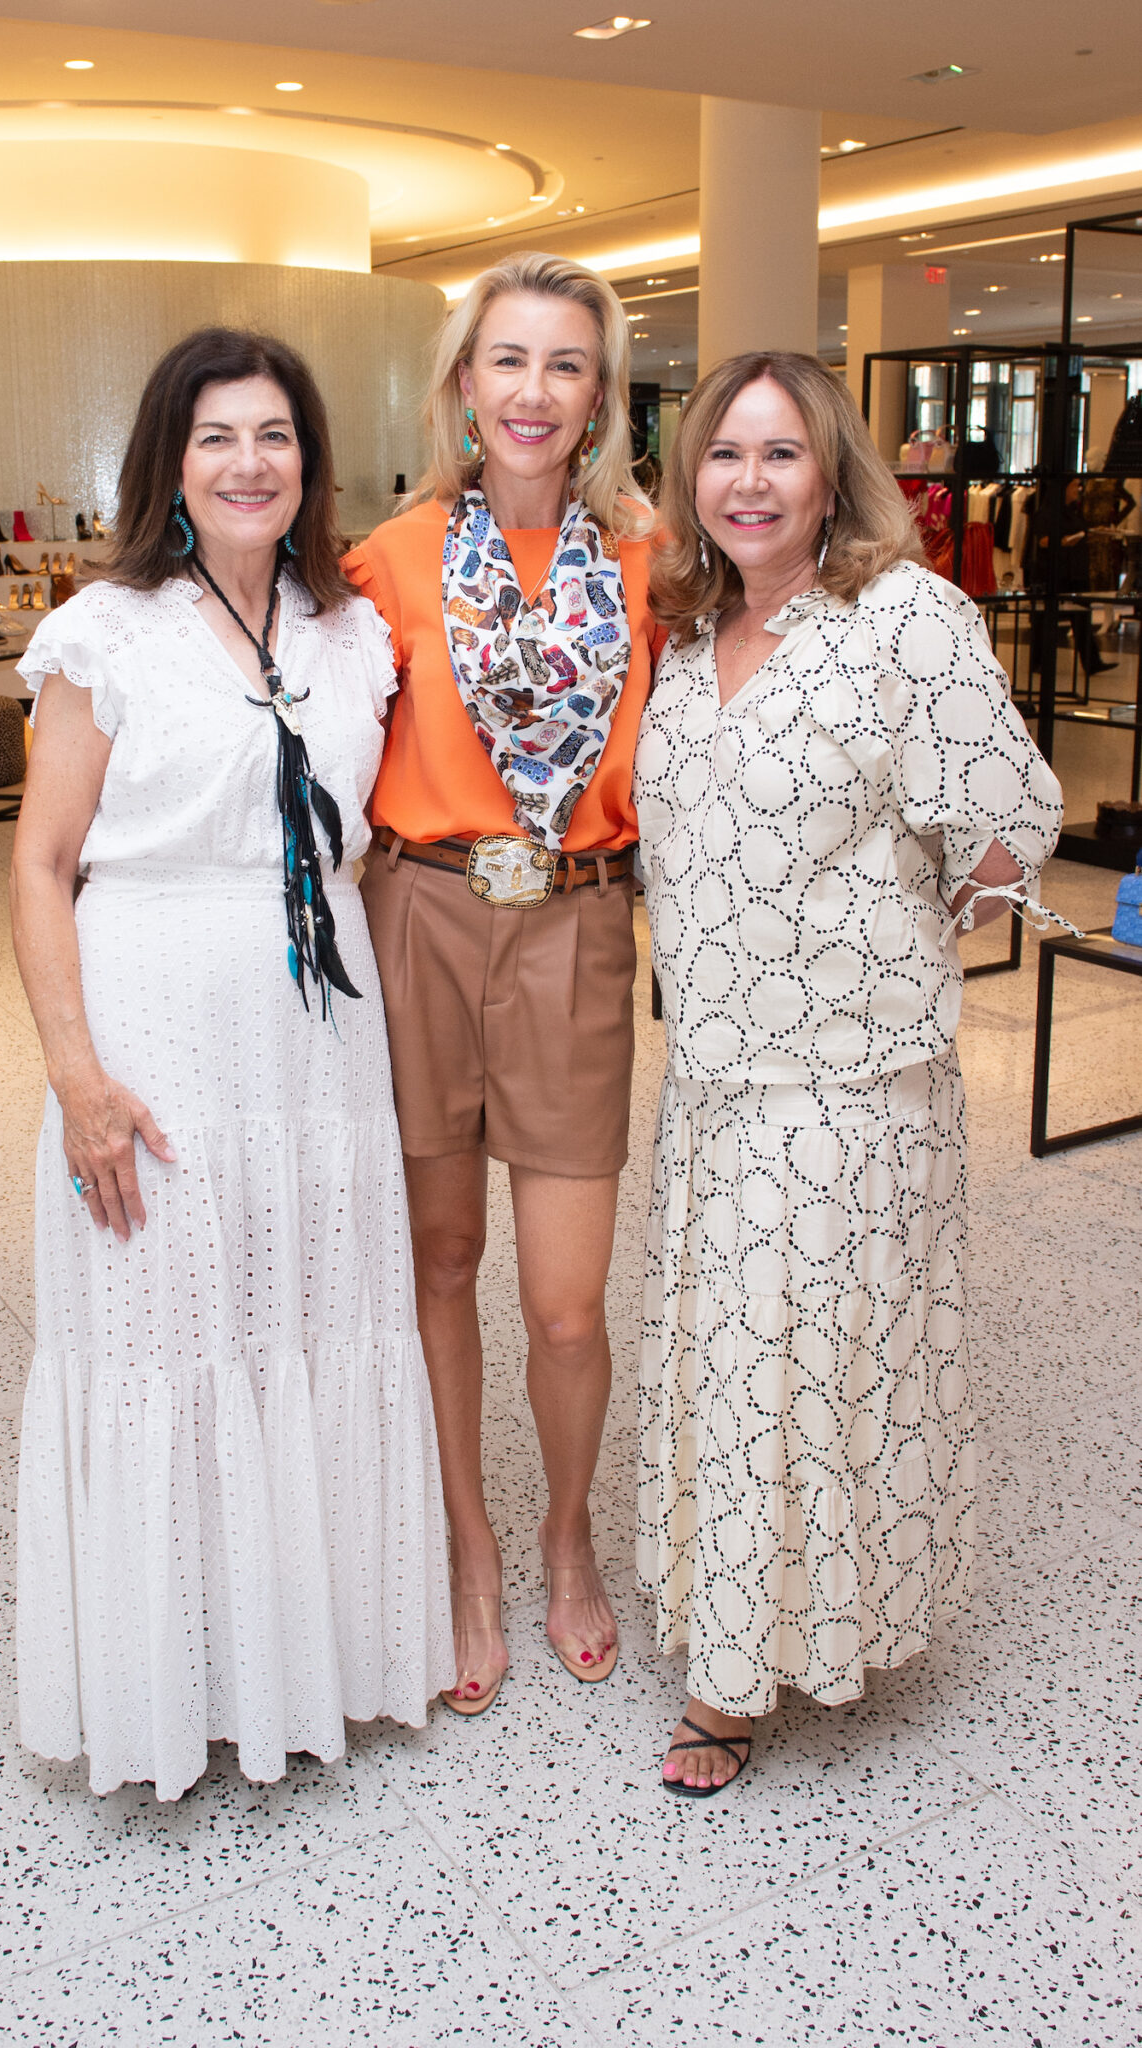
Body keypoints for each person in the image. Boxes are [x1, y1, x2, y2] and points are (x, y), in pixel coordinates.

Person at [9, 327, 451, 1799]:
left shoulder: (352, 634)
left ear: (308, 461)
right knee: (171, 1328)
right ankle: (173, 1685)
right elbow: (40, 866)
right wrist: (77, 1080)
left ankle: (311, 1660)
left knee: (307, 1315)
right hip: (156, 1026)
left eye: (275, 435)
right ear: (171, 463)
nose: (249, 464)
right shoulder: (106, 633)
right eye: (216, 438)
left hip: (317, 1041)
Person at [634, 351, 1065, 1796]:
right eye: (723, 455)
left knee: (804, 1361)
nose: (749, 482)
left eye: (781, 454)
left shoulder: (904, 621)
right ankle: (766, 1625)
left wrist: (905, 933)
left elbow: (1010, 826)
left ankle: (735, 1680)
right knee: (736, 1360)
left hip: (850, 1086)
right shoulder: (692, 635)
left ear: (833, 476)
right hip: (714, 1077)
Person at [344, 253, 657, 1713]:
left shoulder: (655, 565)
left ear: (600, 396)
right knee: (440, 1260)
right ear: (464, 384)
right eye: (509, 360)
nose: (535, 391)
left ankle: (566, 1536)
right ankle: (470, 1549)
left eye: (566, 364)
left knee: (570, 1306)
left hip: (577, 926)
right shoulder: (389, 562)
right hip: (420, 913)